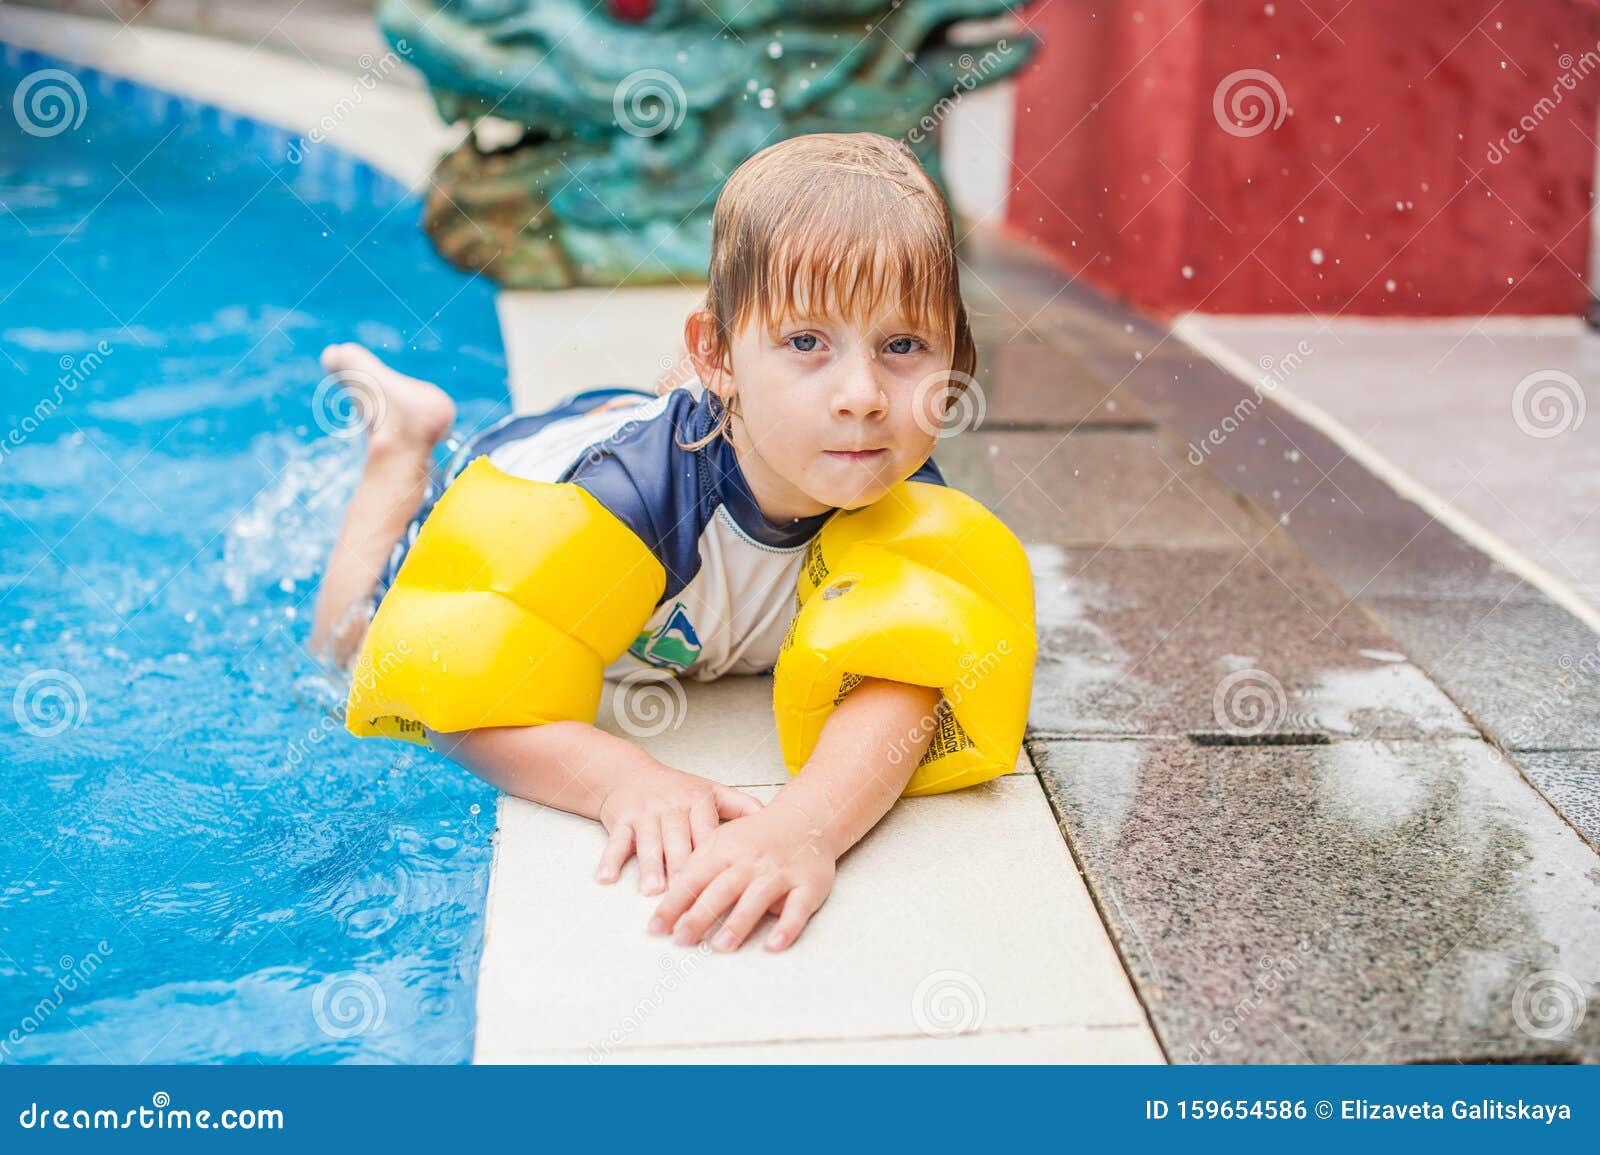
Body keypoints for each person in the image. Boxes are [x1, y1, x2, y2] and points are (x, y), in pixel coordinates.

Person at [311, 132, 986, 953]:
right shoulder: (617, 508)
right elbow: (454, 705)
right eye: (807, 341)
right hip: (546, 476)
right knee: (342, 648)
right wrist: (623, 779)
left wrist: (802, 830)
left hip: (706, 418)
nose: (863, 396)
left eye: (903, 346)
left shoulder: (903, 496)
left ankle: (710, 381)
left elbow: (907, 685)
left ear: (958, 354)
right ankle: (401, 447)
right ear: (718, 351)